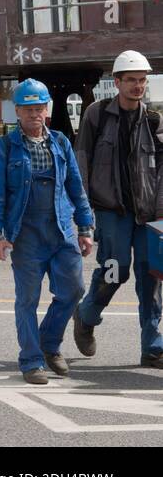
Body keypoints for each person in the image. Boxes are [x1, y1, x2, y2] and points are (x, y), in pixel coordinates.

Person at [0, 79, 95, 384]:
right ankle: (32, 360)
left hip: (60, 230)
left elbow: (75, 186)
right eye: (28, 109)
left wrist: (85, 227)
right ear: (16, 111)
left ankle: (49, 343)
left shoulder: (60, 142)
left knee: (73, 290)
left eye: (39, 108)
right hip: (26, 234)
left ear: (47, 110)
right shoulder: (4, 148)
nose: (34, 114)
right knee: (28, 299)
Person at [72, 50, 163, 369]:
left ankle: (152, 346)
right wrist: (82, 212)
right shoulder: (96, 116)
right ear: (117, 82)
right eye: (132, 80)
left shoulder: (153, 120)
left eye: (142, 80)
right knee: (114, 271)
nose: (138, 86)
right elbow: (81, 161)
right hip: (111, 212)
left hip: (149, 215)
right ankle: (86, 315)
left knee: (151, 277)